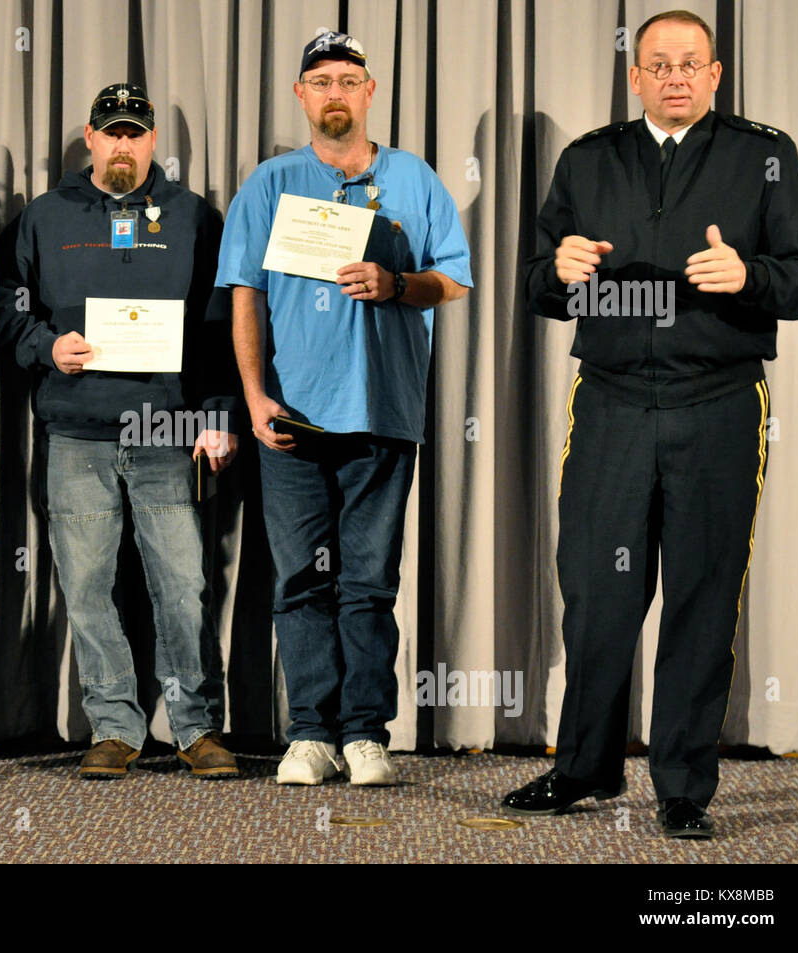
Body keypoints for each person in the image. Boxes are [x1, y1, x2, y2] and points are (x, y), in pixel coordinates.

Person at [504, 10, 798, 838]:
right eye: (659, 63)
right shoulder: (587, 159)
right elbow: (536, 281)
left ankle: (683, 785)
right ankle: (584, 767)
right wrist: (558, 269)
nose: (675, 75)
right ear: (635, 74)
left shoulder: (767, 154)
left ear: (715, 75)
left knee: (701, 596)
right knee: (598, 598)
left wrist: (749, 273)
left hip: (718, 404)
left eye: (692, 63)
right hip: (609, 403)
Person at [216, 32, 471, 785]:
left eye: (348, 80)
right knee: (300, 580)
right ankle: (309, 733)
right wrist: (256, 396)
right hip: (289, 416)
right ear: (302, 95)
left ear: (369, 91)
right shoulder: (269, 182)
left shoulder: (415, 180)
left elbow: (454, 282)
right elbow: (244, 296)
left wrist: (397, 284)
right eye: (320, 81)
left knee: (369, 581)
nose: (335, 93)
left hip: (383, 410)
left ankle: (366, 732)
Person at [0, 84, 241, 780]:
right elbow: (7, 311)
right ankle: (113, 724)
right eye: (112, 133)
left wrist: (218, 412)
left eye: (136, 133)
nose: (124, 144)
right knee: (87, 582)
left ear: (153, 139)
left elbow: (220, 324)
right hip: (75, 430)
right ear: (89, 138)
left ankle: (195, 726)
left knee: (182, 581)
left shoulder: (195, 217)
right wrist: (46, 347)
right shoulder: (43, 217)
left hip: (167, 427)